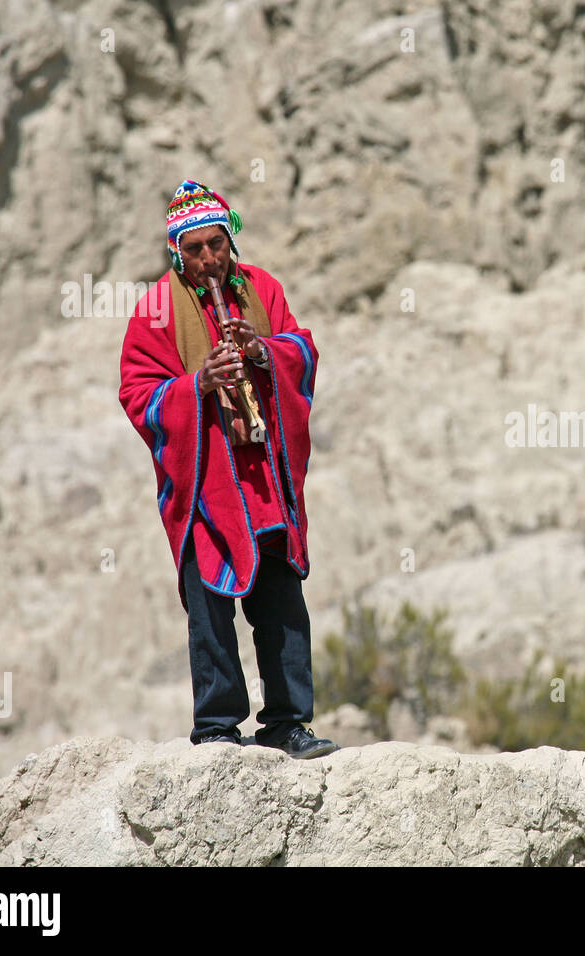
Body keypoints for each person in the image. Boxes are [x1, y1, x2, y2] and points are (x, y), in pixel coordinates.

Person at [118, 180, 337, 759]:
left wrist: (265, 350)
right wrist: (199, 386)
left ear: (229, 239)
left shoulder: (261, 288)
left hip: (264, 478)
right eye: (195, 251)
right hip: (207, 487)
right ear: (176, 254)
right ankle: (217, 728)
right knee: (210, 607)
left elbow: (305, 352)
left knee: (282, 604)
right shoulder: (156, 312)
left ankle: (288, 721)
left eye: (217, 244)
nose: (209, 259)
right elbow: (138, 394)